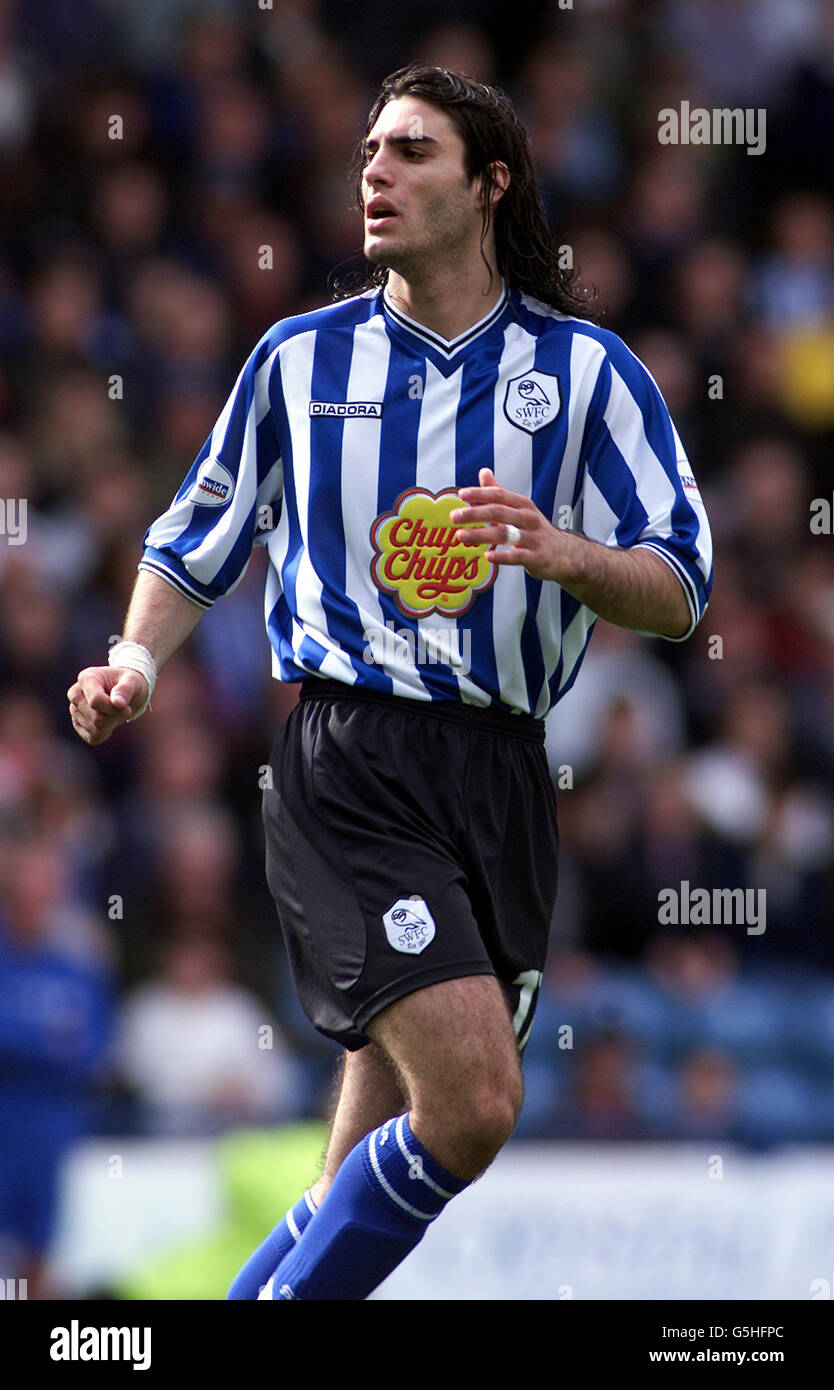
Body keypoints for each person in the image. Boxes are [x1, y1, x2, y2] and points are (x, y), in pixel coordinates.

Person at [67, 63, 713, 1301]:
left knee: (362, 1162)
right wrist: (135, 660)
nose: (375, 170)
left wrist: (566, 552)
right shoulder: (297, 362)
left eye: (413, 151)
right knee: (471, 1108)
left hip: (506, 773)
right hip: (352, 759)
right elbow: (192, 537)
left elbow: (683, 586)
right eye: (370, 150)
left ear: (490, 184)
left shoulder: (585, 375)